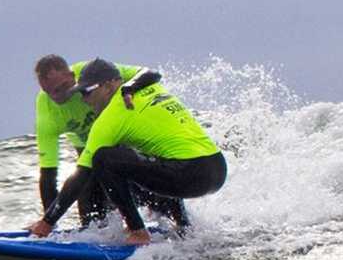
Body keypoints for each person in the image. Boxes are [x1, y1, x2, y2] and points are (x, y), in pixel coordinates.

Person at [29, 58, 227, 245]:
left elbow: (82, 174)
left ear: (109, 85)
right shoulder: (151, 88)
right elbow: (149, 73)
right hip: (216, 168)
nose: (84, 100)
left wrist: (47, 222)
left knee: (103, 158)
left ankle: (138, 232)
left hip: (189, 176)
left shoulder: (113, 116)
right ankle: (184, 227)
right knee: (144, 158)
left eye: (87, 92)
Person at [34, 54, 159, 225]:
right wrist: (48, 225)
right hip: (88, 149)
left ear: (72, 76)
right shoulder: (48, 114)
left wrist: (128, 89)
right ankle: (109, 235)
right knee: (89, 214)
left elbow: (149, 73)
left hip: (122, 138)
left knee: (146, 188)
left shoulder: (91, 73)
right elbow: (48, 174)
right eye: (50, 92)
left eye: (63, 87)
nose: (58, 96)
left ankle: (175, 228)